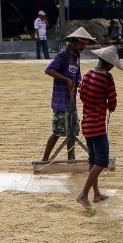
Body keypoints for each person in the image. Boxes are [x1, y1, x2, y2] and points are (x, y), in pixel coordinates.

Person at [42, 27, 95, 165]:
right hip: (61, 101)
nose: (83, 47)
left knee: (72, 132)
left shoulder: (76, 56)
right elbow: (49, 70)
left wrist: (79, 84)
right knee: (58, 131)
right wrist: (66, 80)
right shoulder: (63, 55)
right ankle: (44, 160)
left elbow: (77, 75)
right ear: (74, 42)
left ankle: (71, 159)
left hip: (71, 101)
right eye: (82, 44)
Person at [76, 45, 121, 209]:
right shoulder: (107, 78)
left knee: (93, 160)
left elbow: (82, 96)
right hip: (98, 126)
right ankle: (83, 194)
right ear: (108, 63)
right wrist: (105, 105)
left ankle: (96, 194)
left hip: (86, 124)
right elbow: (113, 103)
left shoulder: (87, 75)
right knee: (102, 162)